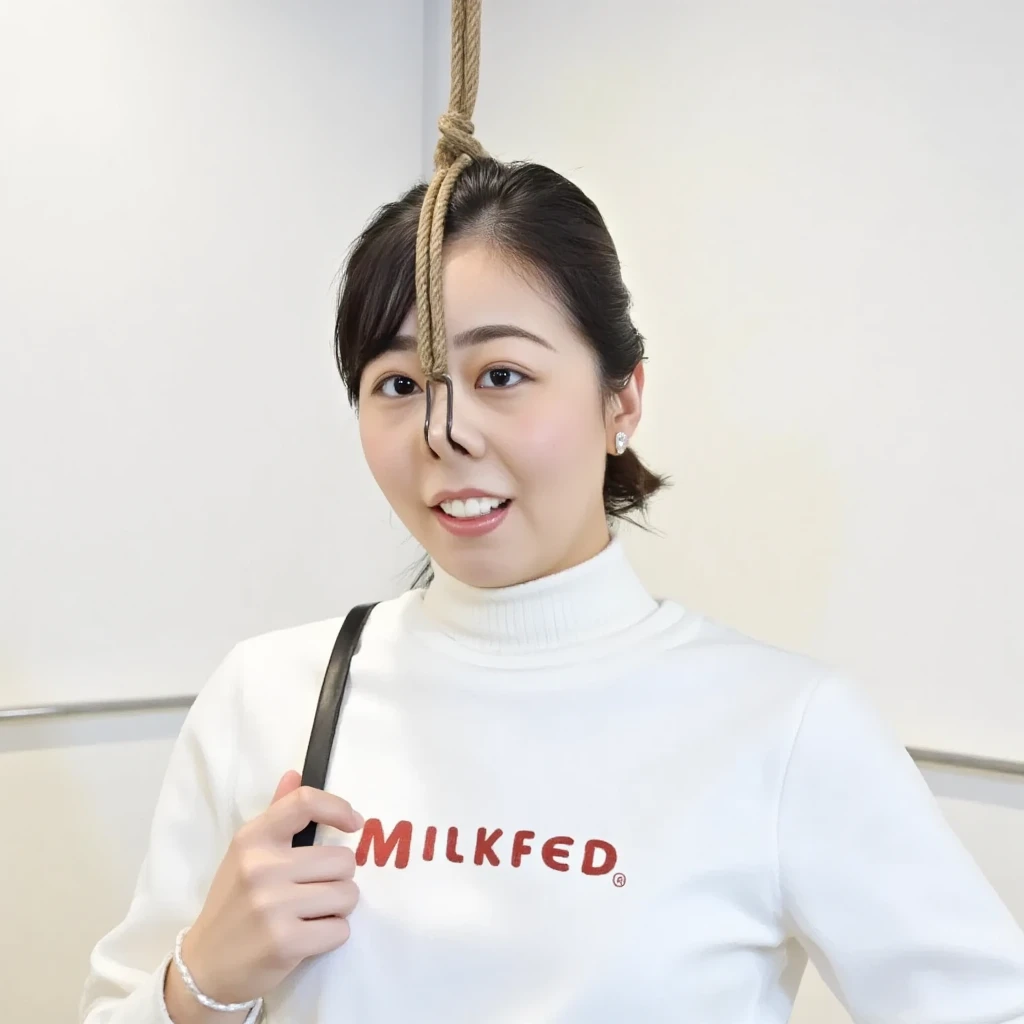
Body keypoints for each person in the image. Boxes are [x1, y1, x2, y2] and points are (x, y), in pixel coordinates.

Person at [81, 158, 1024, 1024]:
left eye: (503, 375)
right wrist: (198, 979)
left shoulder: (787, 730)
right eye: (399, 383)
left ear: (623, 399)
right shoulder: (268, 694)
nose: (444, 434)